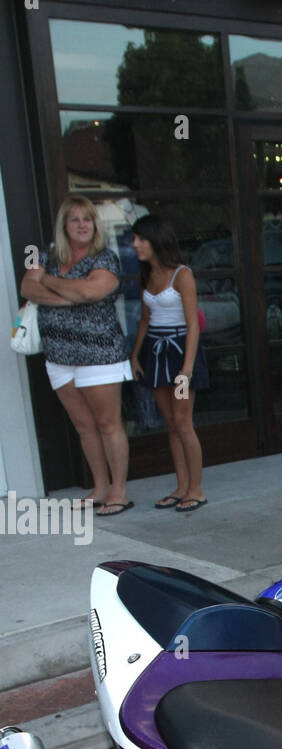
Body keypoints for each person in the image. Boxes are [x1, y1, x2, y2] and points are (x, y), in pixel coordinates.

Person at [20, 196, 133, 516]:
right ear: (64, 225)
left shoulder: (106, 257)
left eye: (88, 219)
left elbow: (91, 292)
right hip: (58, 355)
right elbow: (29, 287)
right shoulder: (43, 254)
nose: (82, 225)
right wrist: (70, 294)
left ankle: (119, 492)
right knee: (84, 426)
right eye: (75, 219)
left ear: (95, 225)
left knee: (108, 424)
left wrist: (52, 284)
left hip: (98, 354)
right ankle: (99, 488)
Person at [129, 215, 208, 512]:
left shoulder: (182, 275)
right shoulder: (146, 275)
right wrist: (135, 355)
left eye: (141, 239)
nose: (135, 245)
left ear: (156, 241)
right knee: (171, 425)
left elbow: (192, 324)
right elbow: (146, 319)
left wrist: (186, 370)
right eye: (134, 239)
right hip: (156, 352)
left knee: (184, 423)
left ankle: (196, 489)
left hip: (179, 352)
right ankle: (181, 486)